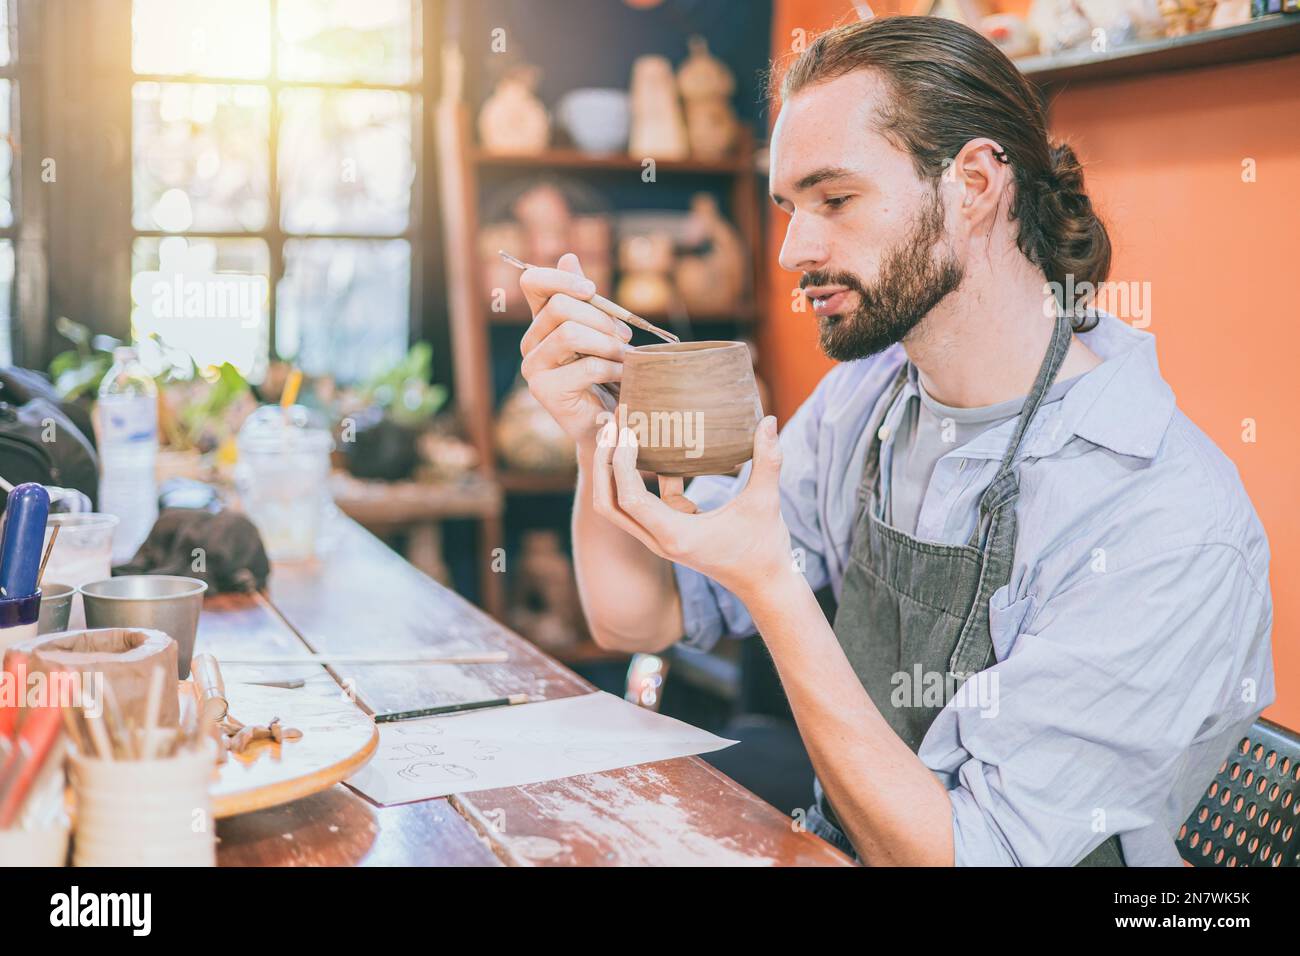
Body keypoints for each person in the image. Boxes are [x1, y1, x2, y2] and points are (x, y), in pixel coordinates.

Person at [514, 16, 1274, 866]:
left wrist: (771, 584)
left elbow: (974, 856)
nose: (794, 250)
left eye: (835, 199)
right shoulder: (868, 400)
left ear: (976, 184)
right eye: (789, 208)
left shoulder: (1161, 517)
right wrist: (594, 431)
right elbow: (638, 615)